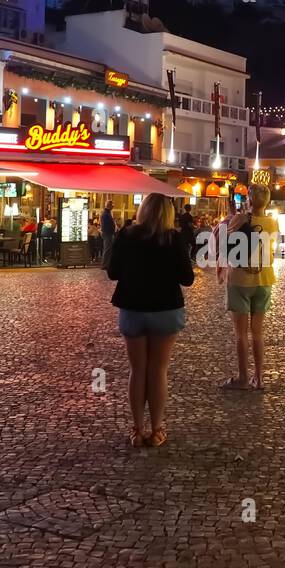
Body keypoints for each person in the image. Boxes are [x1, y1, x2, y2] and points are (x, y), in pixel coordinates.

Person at [107, 192, 194, 449]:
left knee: (138, 370)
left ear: (142, 211)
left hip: (133, 308)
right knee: (158, 370)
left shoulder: (126, 236)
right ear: (168, 213)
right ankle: (156, 430)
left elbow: (112, 272)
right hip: (166, 310)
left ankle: (137, 429)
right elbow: (187, 278)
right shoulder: (173, 238)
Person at [221, 183, 278, 391]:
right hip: (264, 279)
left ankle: (243, 378)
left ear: (250, 200)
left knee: (241, 333)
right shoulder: (273, 223)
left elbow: (225, 243)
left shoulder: (240, 219)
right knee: (258, 332)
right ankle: (259, 378)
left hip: (240, 279)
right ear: (268, 202)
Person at [101, 199, 118, 267]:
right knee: (107, 249)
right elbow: (106, 225)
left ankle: (106, 264)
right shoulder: (106, 214)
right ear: (109, 205)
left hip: (108, 233)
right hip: (108, 233)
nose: (113, 206)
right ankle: (105, 264)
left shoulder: (107, 213)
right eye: (112, 205)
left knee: (108, 249)